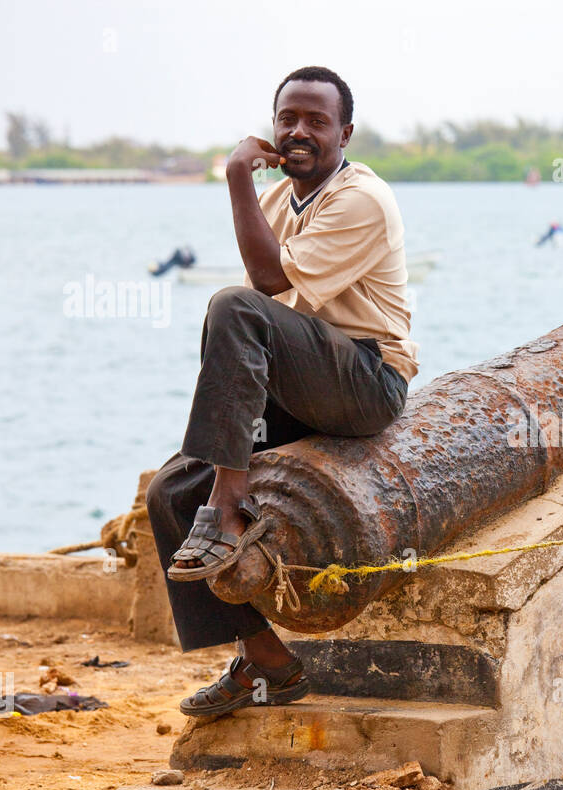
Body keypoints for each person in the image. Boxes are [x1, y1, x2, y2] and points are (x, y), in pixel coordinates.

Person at [145, 66, 417, 717]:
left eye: (316, 121)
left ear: (344, 133)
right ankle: (265, 661)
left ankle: (227, 500)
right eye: (287, 119)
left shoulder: (362, 198)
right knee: (166, 492)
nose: (298, 132)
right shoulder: (276, 203)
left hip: (365, 381)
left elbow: (263, 291)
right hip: (300, 389)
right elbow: (261, 333)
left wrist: (237, 177)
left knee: (233, 305)